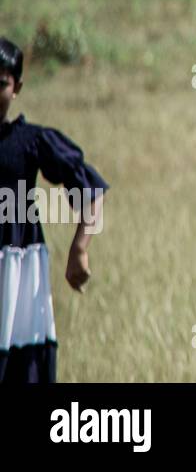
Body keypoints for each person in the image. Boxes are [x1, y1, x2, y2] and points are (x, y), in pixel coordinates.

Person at [0, 36, 108, 383]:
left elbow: (90, 189)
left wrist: (79, 250)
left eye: (0, 83)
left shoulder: (31, 141)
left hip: (16, 281)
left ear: (17, 87)